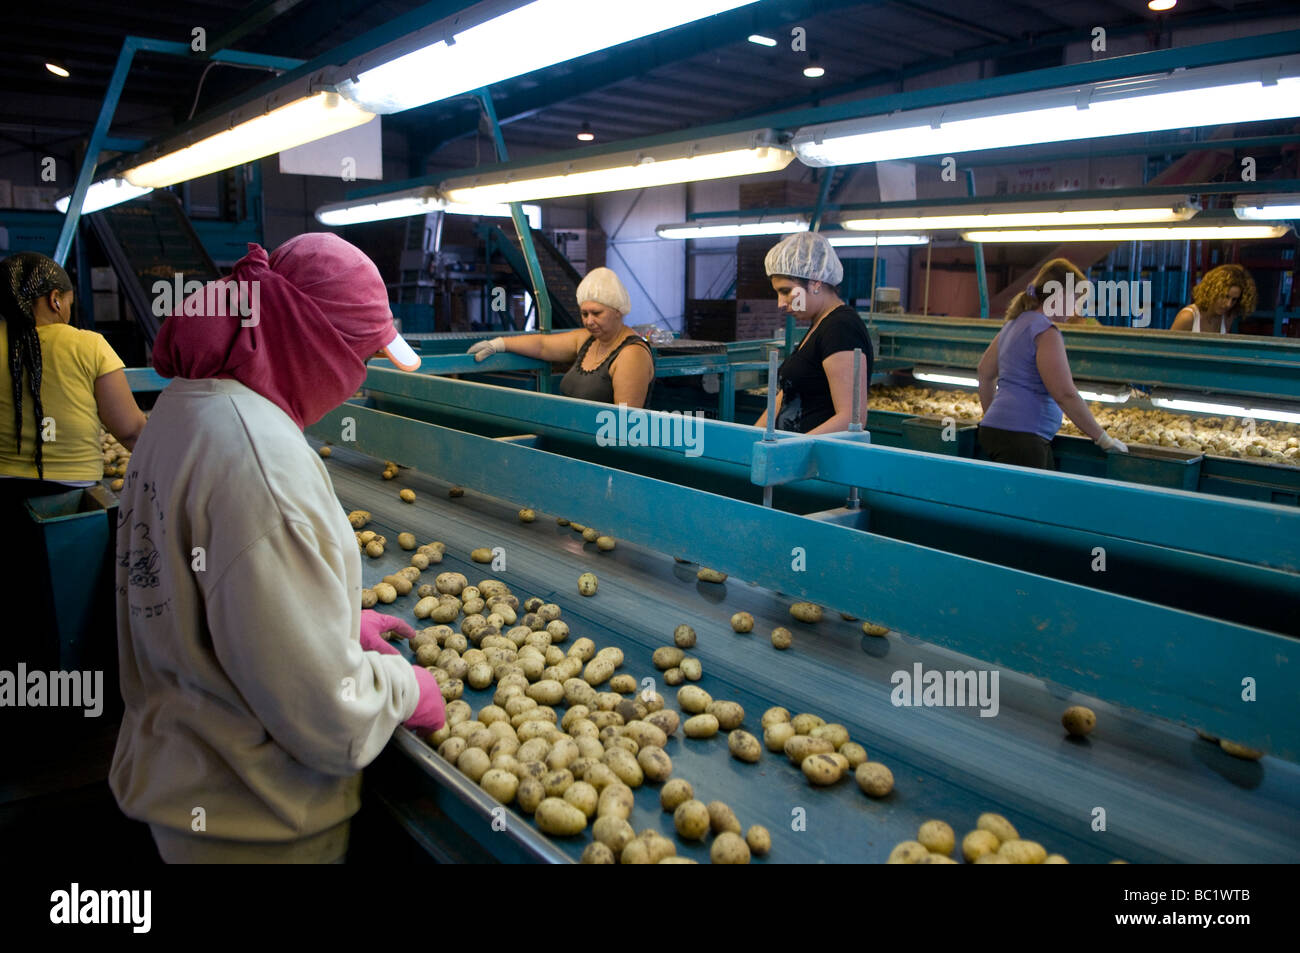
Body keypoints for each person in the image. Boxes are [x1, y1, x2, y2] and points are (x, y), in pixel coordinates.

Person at [110, 233, 444, 864]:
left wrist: (333, 625)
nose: (352, 384)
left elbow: (212, 602)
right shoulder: (261, 463)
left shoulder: (184, 408)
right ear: (314, 345)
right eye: (357, 359)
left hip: (188, 786)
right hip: (258, 821)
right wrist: (402, 687)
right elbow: (329, 720)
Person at [0, 252, 147, 504]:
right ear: (55, 299)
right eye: (69, 302)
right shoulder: (87, 345)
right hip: (71, 491)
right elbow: (131, 430)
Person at [977, 257, 1128, 469]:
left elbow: (984, 372)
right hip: (1024, 437)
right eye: (1076, 300)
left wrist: (995, 415)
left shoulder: (1014, 323)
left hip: (994, 431)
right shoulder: (1045, 331)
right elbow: (1064, 394)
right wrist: (1103, 439)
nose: (1076, 310)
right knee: (1033, 501)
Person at [467, 267, 654, 407]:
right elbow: (542, 345)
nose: (589, 321)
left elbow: (624, 425)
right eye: (584, 314)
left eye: (597, 313)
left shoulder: (631, 355)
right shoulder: (587, 340)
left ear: (618, 312)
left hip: (600, 451)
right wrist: (499, 344)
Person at [754, 232, 871, 434]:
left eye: (786, 291)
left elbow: (852, 418)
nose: (781, 303)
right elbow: (790, 393)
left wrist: (792, 449)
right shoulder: (820, 325)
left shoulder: (841, 328)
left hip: (818, 460)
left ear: (815, 282)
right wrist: (752, 437)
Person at [1170, 263, 1256, 334]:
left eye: (1234, 300)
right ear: (1212, 291)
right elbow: (1169, 351)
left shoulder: (1227, 318)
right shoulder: (1187, 317)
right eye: (1225, 296)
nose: (1228, 304)